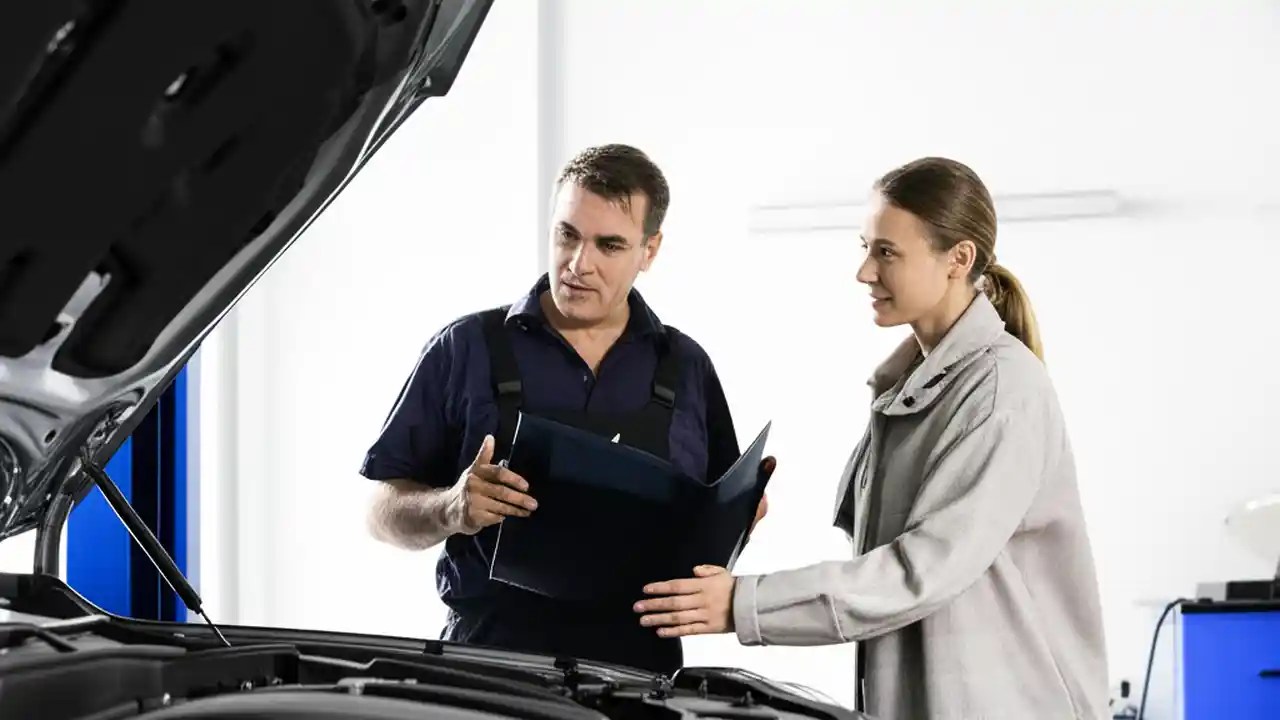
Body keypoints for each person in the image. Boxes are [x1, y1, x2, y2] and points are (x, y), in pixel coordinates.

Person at [632, 156, 1109, 718]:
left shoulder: (1003, 391)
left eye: (886, 252)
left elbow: (919, 571)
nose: (864, 271)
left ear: (959, 259)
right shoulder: (910, 387)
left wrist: (745, 603)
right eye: (866, 247)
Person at [360, 143, 773, 676]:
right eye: (567, 235)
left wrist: (737, 522)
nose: (580, 264)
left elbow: (711, 533)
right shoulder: (467, 347)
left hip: (637, 676)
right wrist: (451, 507)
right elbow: (380, 512)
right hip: (489, 668)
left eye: (610, 245)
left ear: (649, 251)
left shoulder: (686, 365)